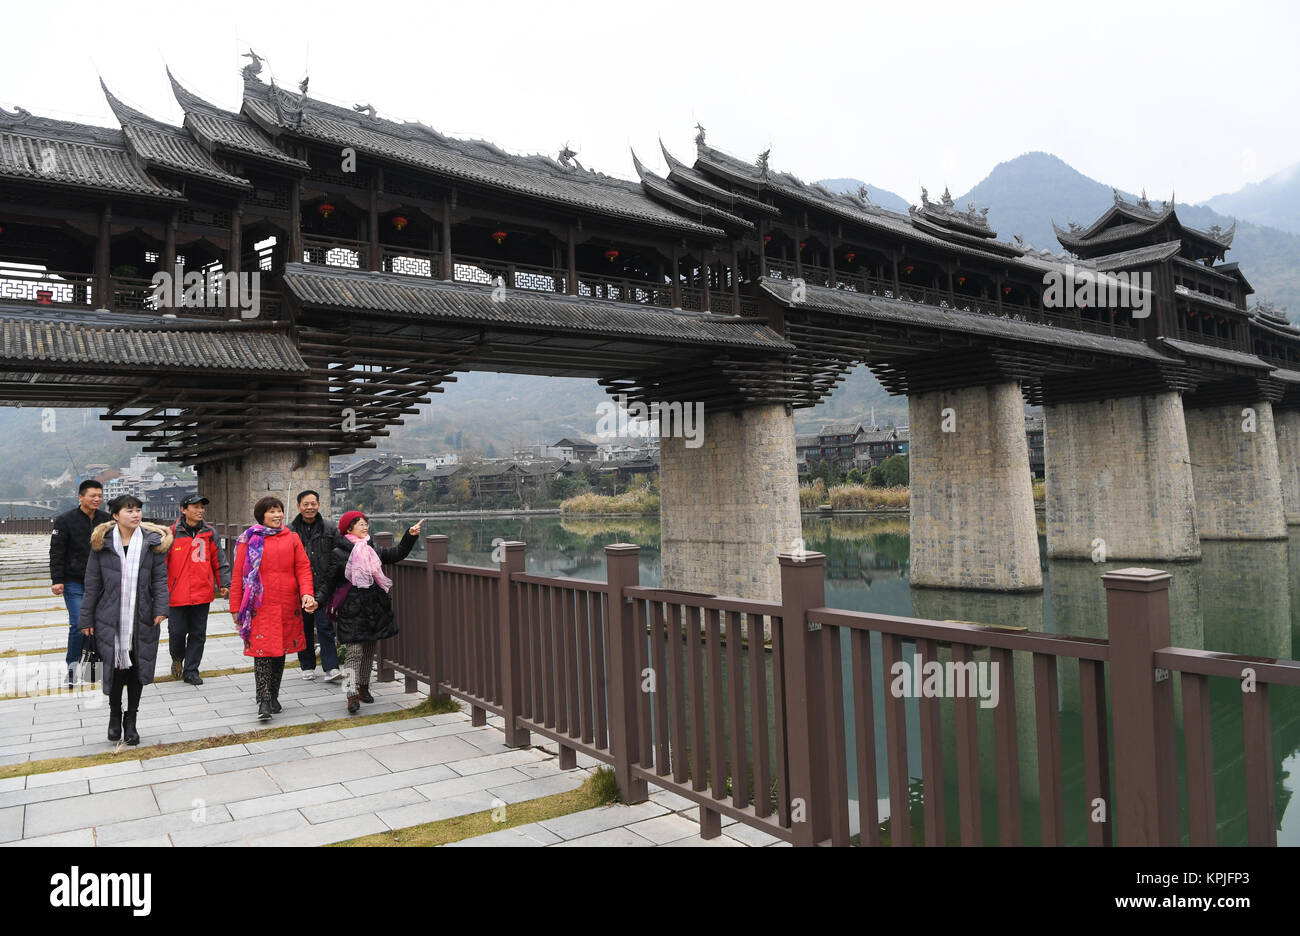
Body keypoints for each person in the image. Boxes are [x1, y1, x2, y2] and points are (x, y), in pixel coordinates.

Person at [77, 496, 171, 745]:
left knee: (137, 669)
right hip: (109, 617)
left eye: (138, 510)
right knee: (115, 669)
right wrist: (86, 618)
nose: (136, 514)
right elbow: (92, 583)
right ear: (116, 515)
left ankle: (131, 721)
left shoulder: (153, 544)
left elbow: (160, 580)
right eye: (129, 510)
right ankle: (114, 715)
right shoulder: (102, 544)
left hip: (142, 616)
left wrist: (161, 608)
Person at [316, 512, 422, 714]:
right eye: (360, 524)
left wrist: (410, 535)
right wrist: (317, 600)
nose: (365, 527)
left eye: (366, 524)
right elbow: (328, 583)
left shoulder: (372, 548)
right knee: (354, 651)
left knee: (368, 650)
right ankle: (351, 693)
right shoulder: (338, 553)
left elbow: (397, 553)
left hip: (373, 607)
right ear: (348, 529)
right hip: (350, 609)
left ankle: (363, 687)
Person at [228, 496, 317, 720]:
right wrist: (235, 608)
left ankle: (274, 695)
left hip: (287, 604)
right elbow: (239, 575)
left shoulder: (292, 538)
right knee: (262, 651)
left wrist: (307, 593)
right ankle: (264, 700)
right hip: (259, 605)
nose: (277, 515)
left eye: (279, 511)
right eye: (272, 512)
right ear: (262, 516)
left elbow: (303, 568)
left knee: (280, 650)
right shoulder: (248, 540)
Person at [50, 479, 111, 687]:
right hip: (74, 582)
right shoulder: (65, 520)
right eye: (93, 495)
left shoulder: (107, 520)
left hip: (101, 583)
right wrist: (57, 580)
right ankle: (72, 669)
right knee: (78, 625)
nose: (97, 499)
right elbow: (57, 552)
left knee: (100, 626)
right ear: (81, 497)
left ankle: (96, 666)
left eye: (100, 496)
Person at [165, 494, 231, 686]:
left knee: (197, 634)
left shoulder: (209, 533)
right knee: (176, 633)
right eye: (195, 506)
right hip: (176, 594)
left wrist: (224, 584)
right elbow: (161, 566)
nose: (200, 510)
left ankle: (191, 670)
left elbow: (219, 561)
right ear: (183, 510)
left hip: (202, 593)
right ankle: (177, 658)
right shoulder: (170, 534)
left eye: (202, 507)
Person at [289, 490, 344, 682]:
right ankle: (307, 665)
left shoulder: (330, 528)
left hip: (324, 586)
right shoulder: (290, 531)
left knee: (325, 626)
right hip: (299, 589)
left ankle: (331, 667)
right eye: (306, 504)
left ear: (318, 505)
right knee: (303, 627)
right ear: (299, 507)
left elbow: (338, 555)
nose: (310, 507)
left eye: (313, 504)